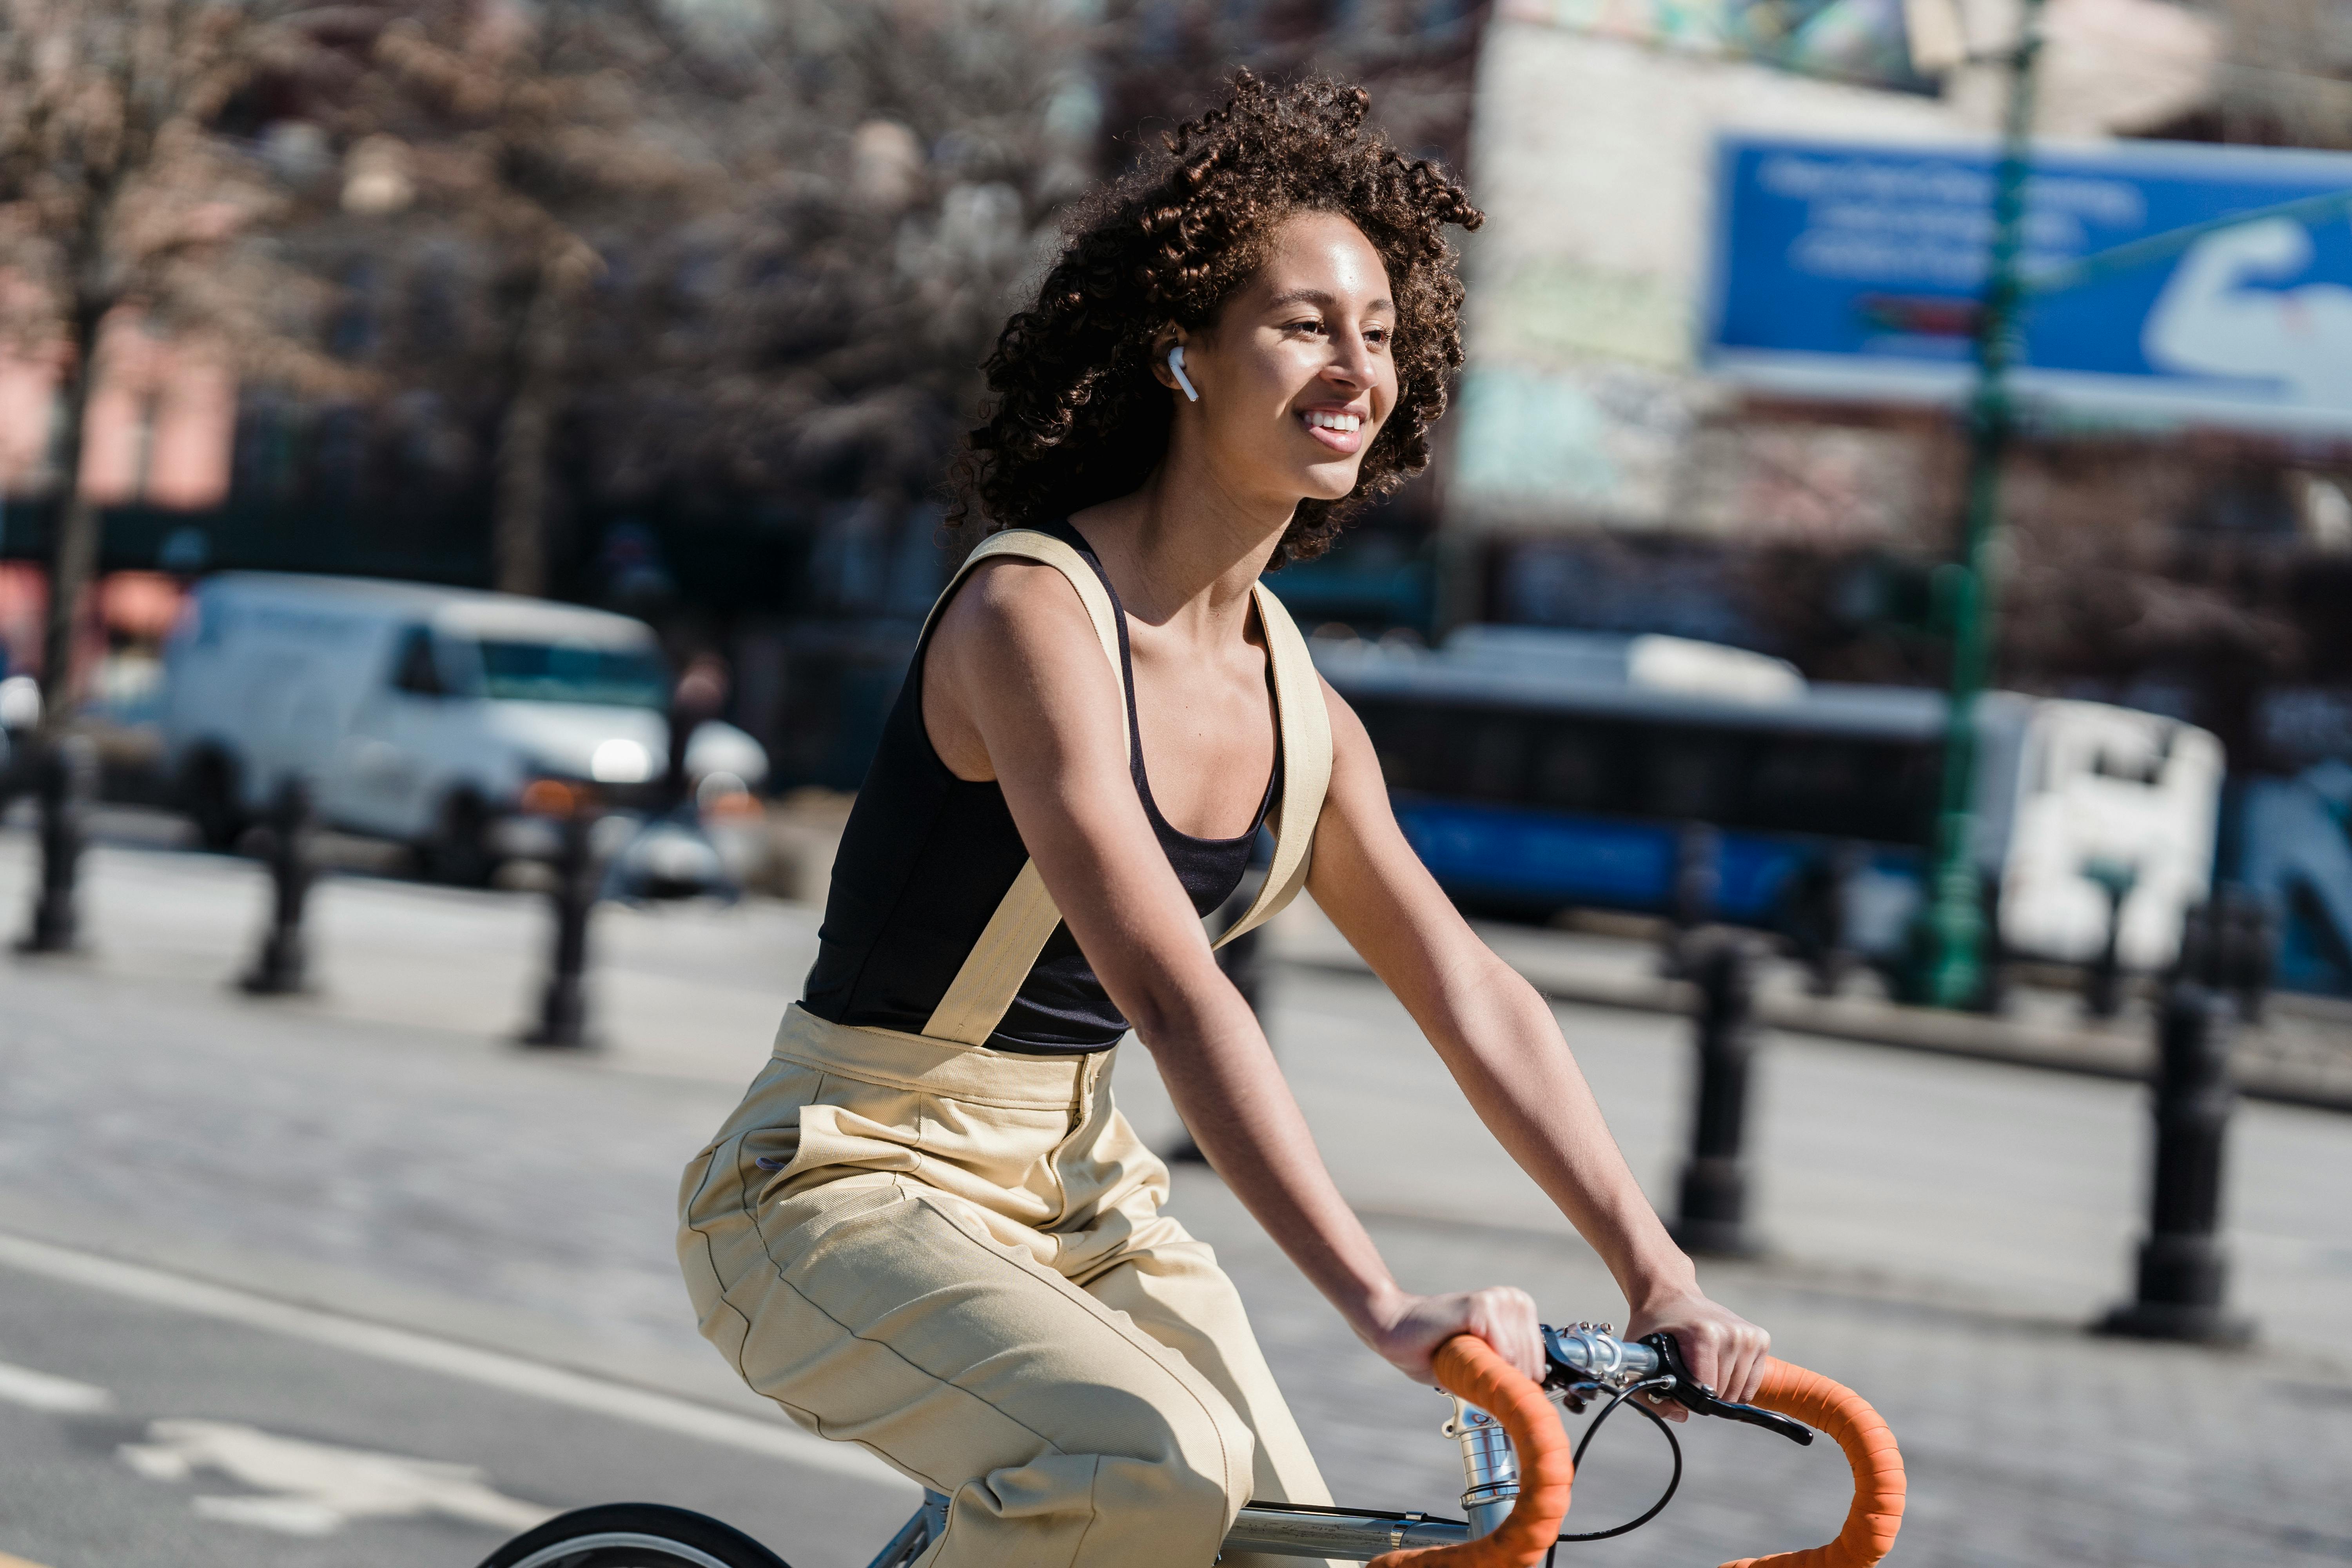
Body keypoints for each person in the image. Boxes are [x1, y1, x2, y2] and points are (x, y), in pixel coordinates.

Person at [678, 73, 1768, 1568]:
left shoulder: (1300, 707)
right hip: (843, 1181)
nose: (1355, 367)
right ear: (1179, 351)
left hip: (1082, 1197)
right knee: (1155, 1472)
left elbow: (1470, 993)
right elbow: (1177, 1000)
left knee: (1288, 1546)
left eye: (1381, 334)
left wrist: (1660, 1276)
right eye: (1305, 322)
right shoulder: (1030, 614)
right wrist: (1381, 1305)